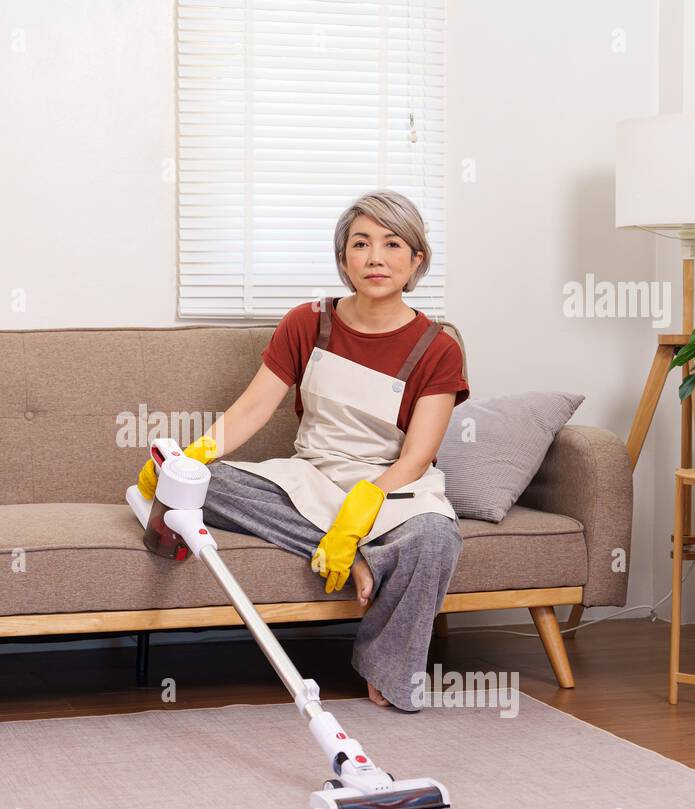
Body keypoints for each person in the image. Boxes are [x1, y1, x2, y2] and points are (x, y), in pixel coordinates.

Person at [138, 190, 469, 711]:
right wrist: (190, 461)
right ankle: (358, 557)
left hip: (391, 486)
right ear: (343, 259)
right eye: (360, 244)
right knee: (195, 488)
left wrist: (361, 512)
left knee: (434, 539)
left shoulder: (438, 345)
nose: (376, 258)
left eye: (392, 244)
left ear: (416, 260)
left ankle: (385, 663)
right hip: (310, 478)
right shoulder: (308, 322)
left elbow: (416, 458)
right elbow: (250, 411)